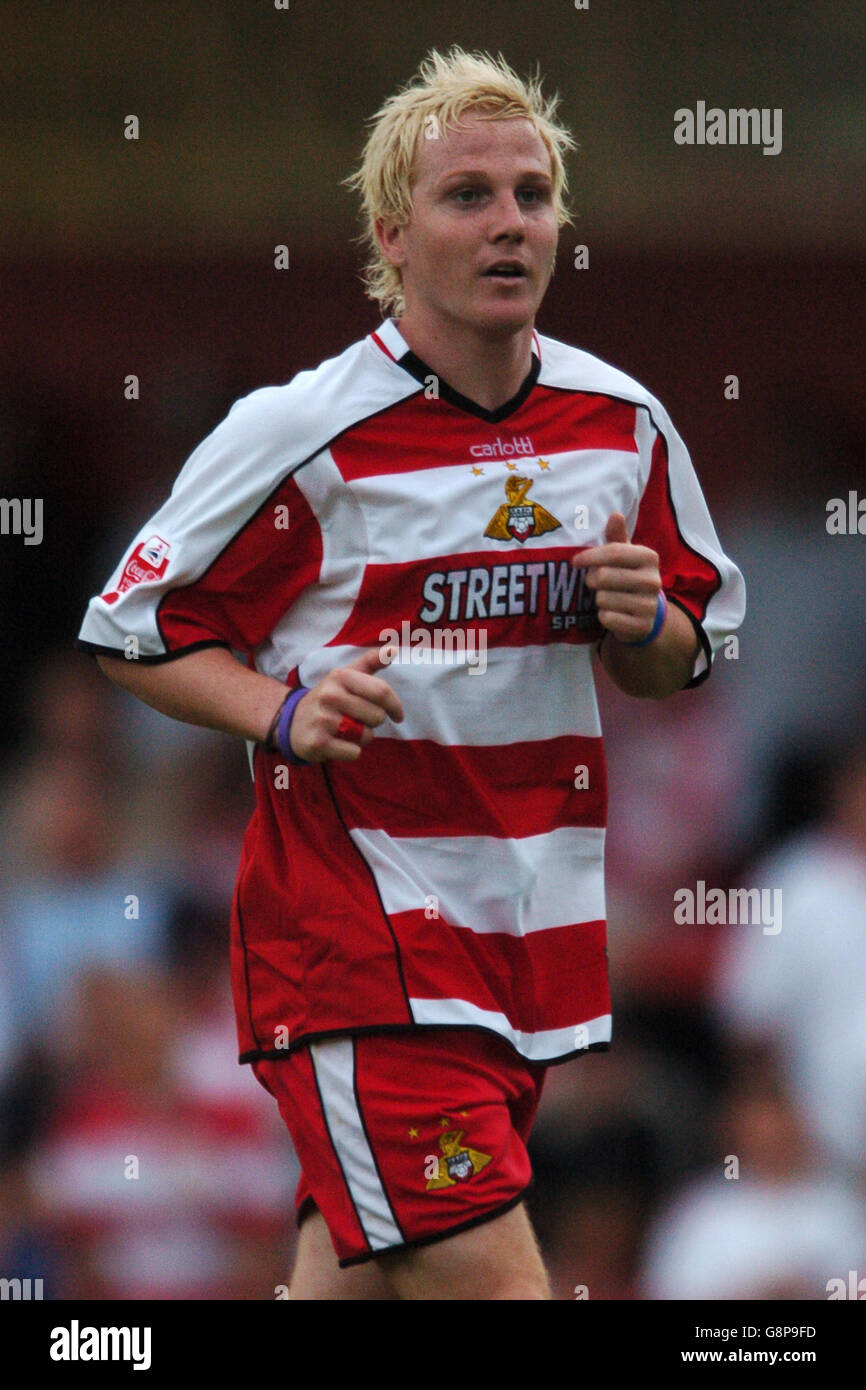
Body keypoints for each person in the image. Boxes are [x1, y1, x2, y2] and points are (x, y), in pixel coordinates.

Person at [78, 46, 745, 1300]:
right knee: (496, 1286)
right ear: (392, 233)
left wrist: (641, 622)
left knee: (354, 1270)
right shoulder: (303, 429)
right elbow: (132, 627)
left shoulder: (621, 424)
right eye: (468, 197)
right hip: (359, 943)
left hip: (528, 932)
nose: (510, 224)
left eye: (531, 195)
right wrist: (281, 709)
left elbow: (683, 656)